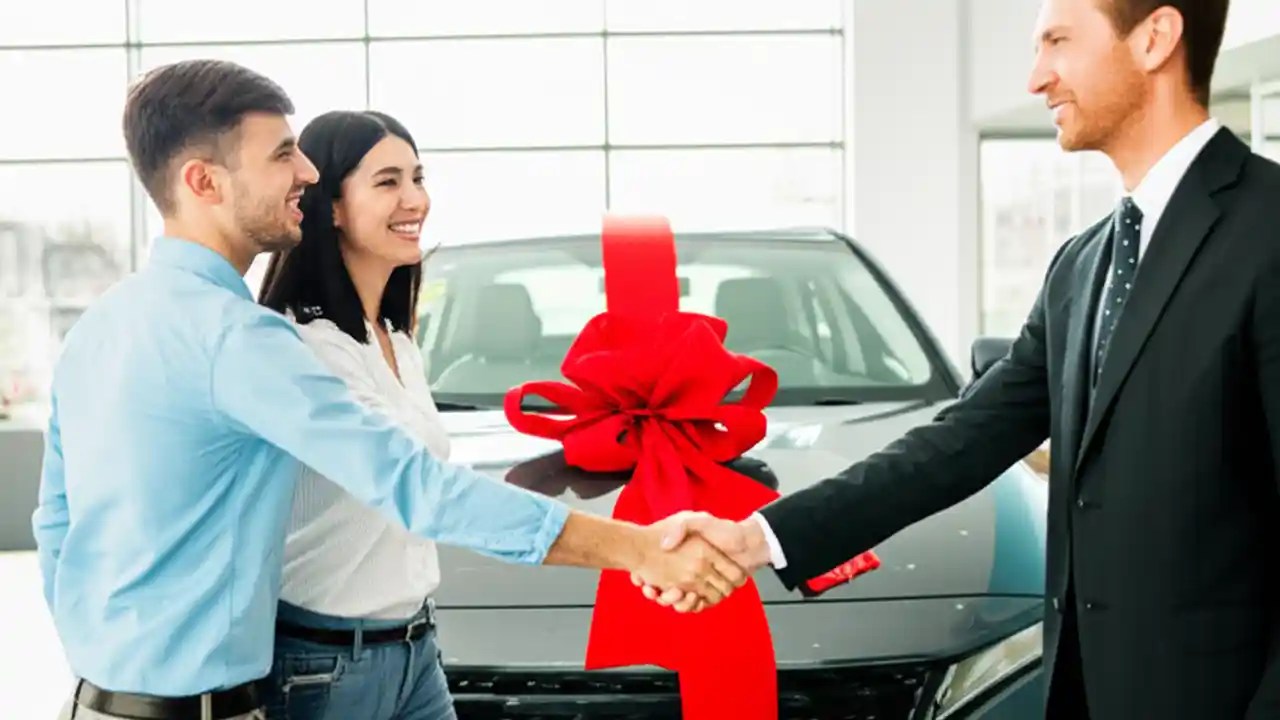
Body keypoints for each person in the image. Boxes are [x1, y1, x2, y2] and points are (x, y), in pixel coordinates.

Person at [32, 59, 744, 720]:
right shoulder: (241, 341)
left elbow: (57, 523)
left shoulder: (104, 323)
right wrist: (640, 550)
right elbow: (416, 487)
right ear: (203, 182)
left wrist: (112, 660)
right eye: (282, 153)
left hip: (102, 698)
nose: (306, 171)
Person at [643, 0, 1280, 717]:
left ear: (1155, 39)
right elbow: (957, 444)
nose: (1038, 77)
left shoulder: (1269, 232)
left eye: (1059, 42)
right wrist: (757, 536)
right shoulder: (1082, 266)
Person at [252, 109, 454, 720]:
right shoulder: (306, 346)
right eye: (388, 181)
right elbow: (414, 484)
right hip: (325, 667)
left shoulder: (394, 335)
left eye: (418, 178)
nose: (414, 199)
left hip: (414, 650)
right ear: (331, 205)